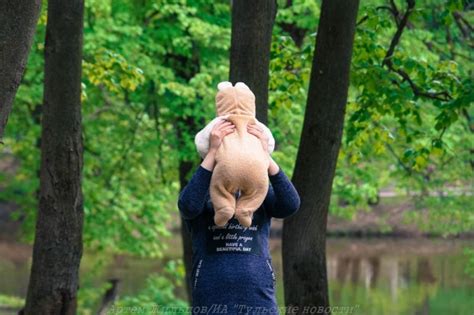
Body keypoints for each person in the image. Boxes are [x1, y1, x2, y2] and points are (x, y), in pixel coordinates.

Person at [178, 119, 301, 315]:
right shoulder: (202, 190)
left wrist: (264, 157)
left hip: (258, 297)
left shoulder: (257, 191)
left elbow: (290, 204)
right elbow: (188, 206)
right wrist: (212, 152)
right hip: (211, 296)